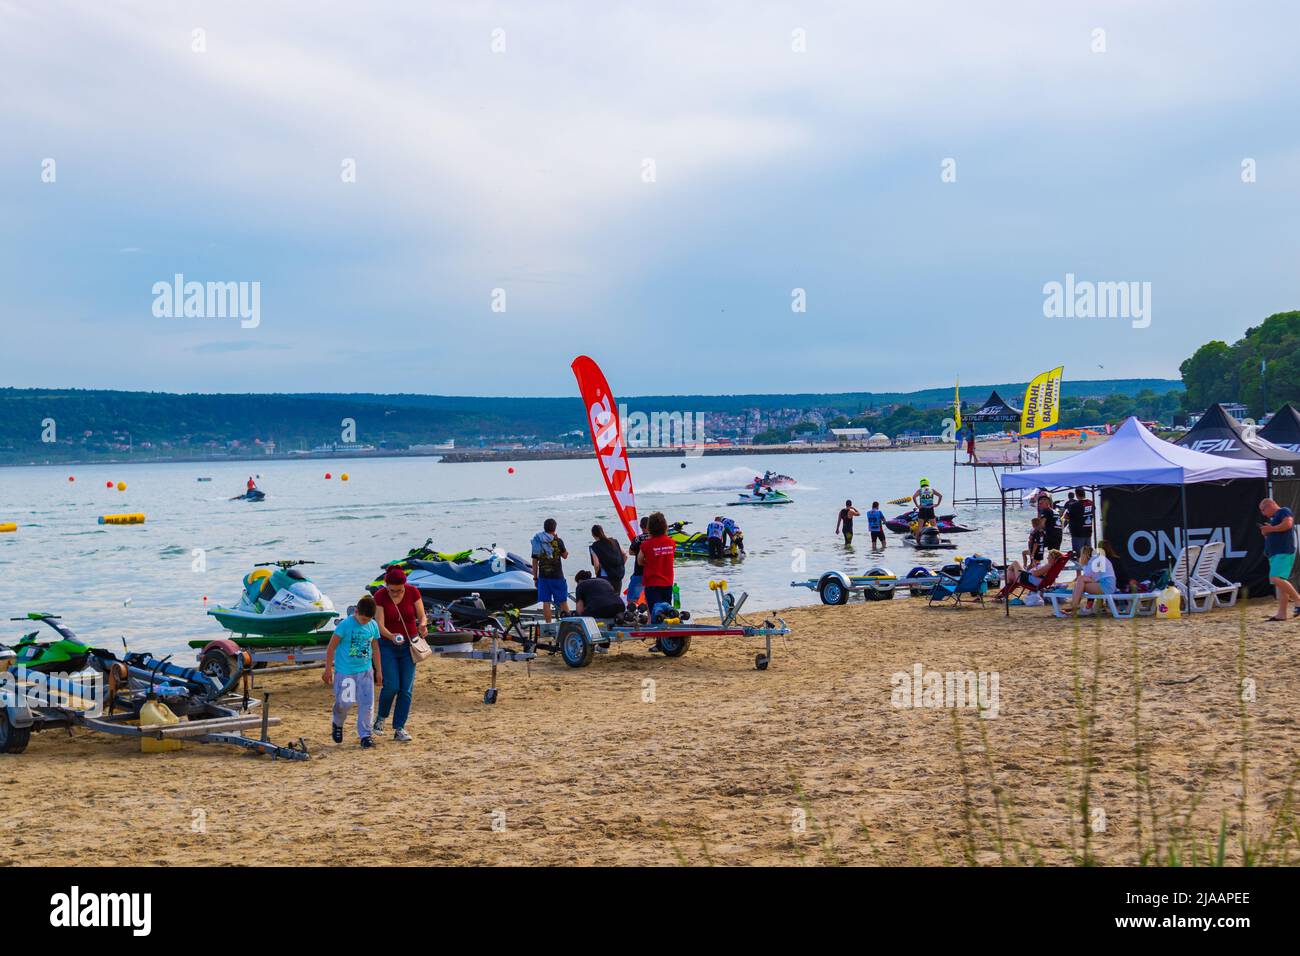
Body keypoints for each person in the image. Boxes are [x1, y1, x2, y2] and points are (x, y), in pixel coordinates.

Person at [373, 566, 427, 742]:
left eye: (399, 590)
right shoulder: (380, 595)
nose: (396, 594)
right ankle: (381, 718)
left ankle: (399, 728)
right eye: (392, 590)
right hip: (387, 645)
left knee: (406, 689)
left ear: (405, 585)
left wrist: (423, 625)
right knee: (392, 685)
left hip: (409, 646)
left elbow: (422, 616)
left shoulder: (412, 592)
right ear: (386, 585)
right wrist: (391, 636)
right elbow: (379, 625)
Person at [323, 594, 383, 748]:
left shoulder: (372, 625)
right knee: (346, 702)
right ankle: (337, 723)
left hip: (365, 671)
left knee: (367, 704)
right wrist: (328, 669)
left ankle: (365, 735)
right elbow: (331, 648)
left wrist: (378, 671)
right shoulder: (345, 625)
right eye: (363, 619)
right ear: (356, 612)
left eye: (368, 620)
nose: (365, 622)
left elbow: (375, 648)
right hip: (346, 672)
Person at [1259, 498, 1300, 621]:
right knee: (1281, 584)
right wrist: (1267, 533)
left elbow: (1288, 524)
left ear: (1270, 505)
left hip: (1283, 552)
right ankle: (1282, 614)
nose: (1263, 513)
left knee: (1275, 578)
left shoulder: (1283, 511)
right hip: (1276, 553)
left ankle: (1298, 600)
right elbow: (1279, 531)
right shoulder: (1274, 518)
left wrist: (1270, 529)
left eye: (1263, 510)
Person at [636, 512, 676, 619]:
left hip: (652, 582)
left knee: (655, 613)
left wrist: (650, 563)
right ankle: (666, 634)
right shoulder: (671, 543)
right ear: (664, 526)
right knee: (666, 611)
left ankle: (658, 633)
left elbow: (639, 561)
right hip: (667, 581)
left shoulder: (646, 544)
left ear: (650, 527)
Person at [531, 518, 570, 623]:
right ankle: (568, 623)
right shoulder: (557, 541)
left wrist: (535, 577)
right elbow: (565, 556)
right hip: (557, 576)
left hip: (543, 577)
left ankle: (548, 626)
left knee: (546, 602)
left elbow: (534, 562)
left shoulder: (537, 541)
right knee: (563, 601)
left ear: (544, 527)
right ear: (555, 528)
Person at [1064, 543, 1117, 613]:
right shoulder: (1095, 559)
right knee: (1080, 582)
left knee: (1080, 581)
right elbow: (1091, 577)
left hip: (1107, 585)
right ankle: (1075, 606)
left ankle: (1074, 606)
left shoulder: (1093, 561)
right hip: (1108, 584)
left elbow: (1085, 577)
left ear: (1084, 555)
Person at [588, 524, 626, 595]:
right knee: (616, 598)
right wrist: (621, 566)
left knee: (605, 600)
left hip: (604, 578)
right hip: (618, 576)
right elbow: (625, 555)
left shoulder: (594, 546)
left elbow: (596, 565)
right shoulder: (614, 541)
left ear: (593, 535)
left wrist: (597, 573)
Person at [625, 516, 650, 607]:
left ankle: (632, 616)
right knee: (651, 598)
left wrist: (638, 553)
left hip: (639, 571)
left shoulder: (638, 539)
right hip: (652, 572)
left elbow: (630, 552)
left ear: (641, 526)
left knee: (631, 599)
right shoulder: (654, 538)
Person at [1063, 486, 1094, 555]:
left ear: (1076, 495)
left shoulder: (1075, 505)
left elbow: (1065, 516)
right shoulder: (1091, 503)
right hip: (1088, 532)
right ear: (1084, 493)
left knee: (1079, 555)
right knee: (1088, 554)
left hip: (1077, 533)